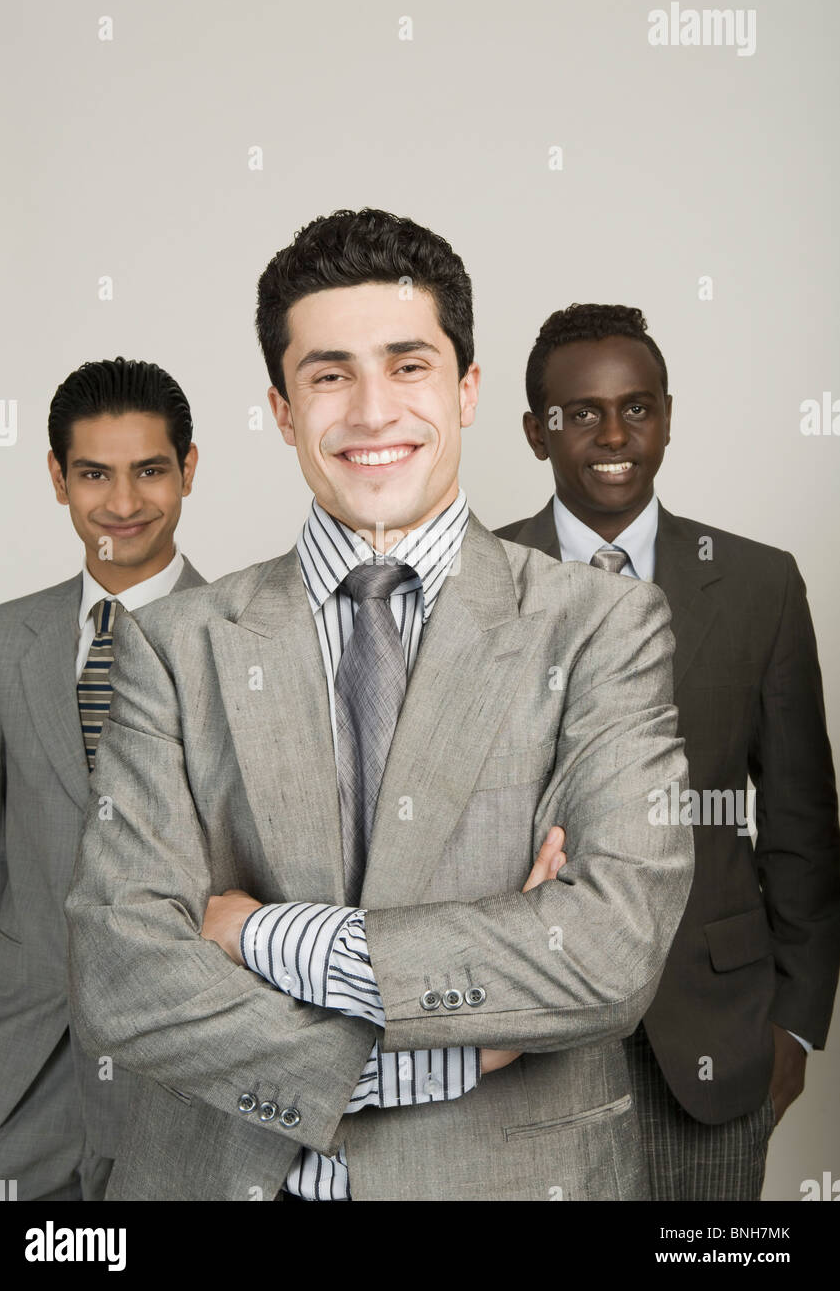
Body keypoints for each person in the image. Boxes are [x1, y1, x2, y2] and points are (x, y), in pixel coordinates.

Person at [66, 213, 693, 1202]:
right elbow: (121, 971)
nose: (370, 410)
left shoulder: (599, 626)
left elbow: (607, 950)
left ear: (467, 388)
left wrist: (257, 935)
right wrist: (440, 1051)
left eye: (407, 365)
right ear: (281, 407)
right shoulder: (172, 645)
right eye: (328, 374)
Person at [495, 302, 840, 1200]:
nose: (614, 435)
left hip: (720, 1043)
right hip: (526, 1041)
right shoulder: (470, 585)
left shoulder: (760, 583)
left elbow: (803, 822)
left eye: (637, 408)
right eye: (581, 414)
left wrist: (796, 1024)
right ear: (537, 432)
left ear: (667, 418)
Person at [0, 357, 205, 1200]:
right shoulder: (3, 638)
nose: (122, 502)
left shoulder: (242, 640)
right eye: (93, 474)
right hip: (17, 1074)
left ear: (188, 469)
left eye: (149, 470)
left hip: (182, 1079)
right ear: (57, 478)